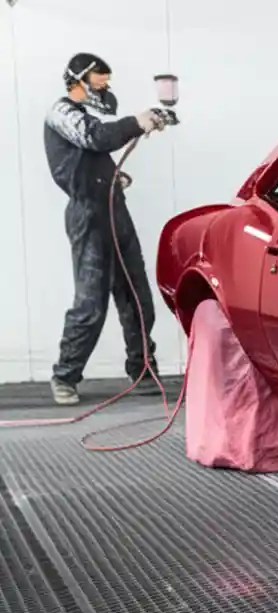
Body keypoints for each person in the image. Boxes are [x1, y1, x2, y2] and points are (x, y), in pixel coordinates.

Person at [43, 52, 166, 405]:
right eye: (100, 79)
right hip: (88, 217)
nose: (105, 86)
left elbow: (93, 155)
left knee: (136, 296)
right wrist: (137, 121)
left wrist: (112, 177)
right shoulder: (62, 112)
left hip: (114, 210)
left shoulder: (84, 115)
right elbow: (94, 137)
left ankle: (142, 368)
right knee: (91, 303)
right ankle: (64, 376)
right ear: (79, 79)